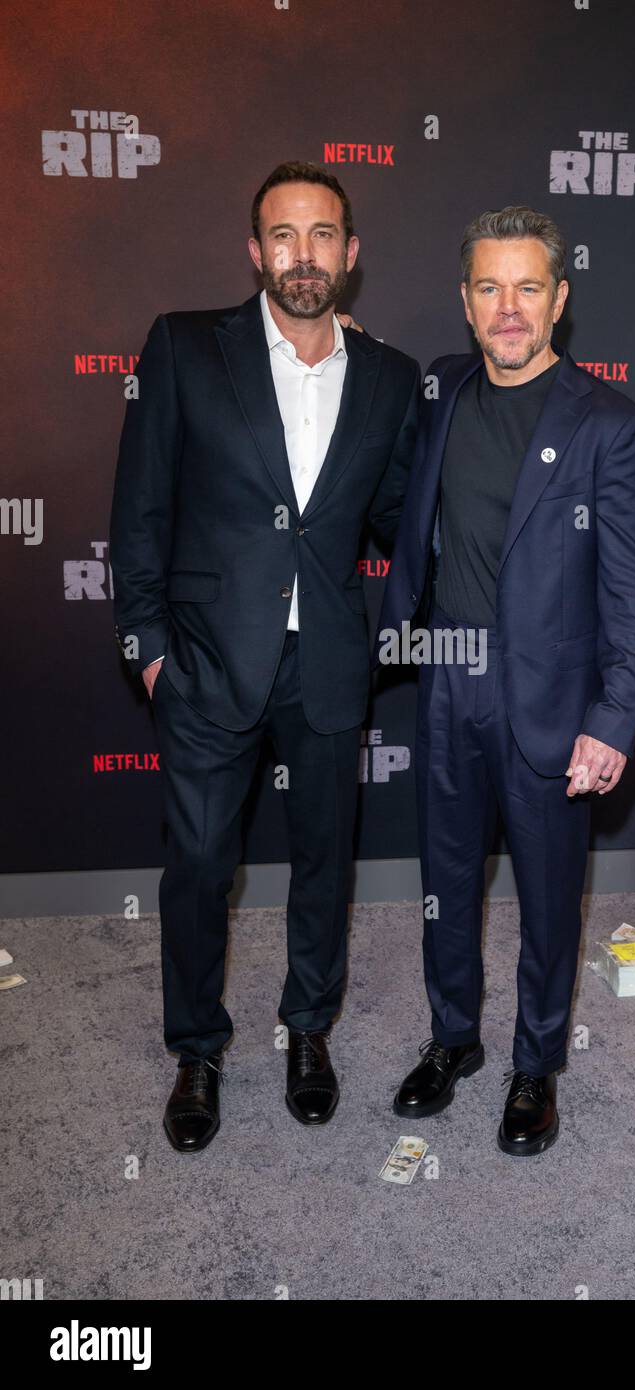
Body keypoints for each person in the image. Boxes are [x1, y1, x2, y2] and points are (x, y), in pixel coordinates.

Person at [109, 161, 420, 1152]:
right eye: (281, 235)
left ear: (350, 254)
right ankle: (197, 1047)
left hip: (326, 659)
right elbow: (140, 508)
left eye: (321, 234)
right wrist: (149, 647)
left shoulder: (382, 375)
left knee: (324, 859)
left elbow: (394, 521)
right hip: (207, 655)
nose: (302, 254)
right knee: (201, 863)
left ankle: (307, 1031)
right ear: (255, 252)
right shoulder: (185, 346)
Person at [377, 206, 635, 1156]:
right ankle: (453, 1040)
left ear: (561, 300)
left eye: (529, 288)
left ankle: (535, 1064)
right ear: (465, 304)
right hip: (447, 676)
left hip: (548, 696)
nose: (510, 308)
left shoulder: (612, 426)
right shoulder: (442, 390)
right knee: (446, 880)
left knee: (548, 897)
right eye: (490, 288)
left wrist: (613, 719)